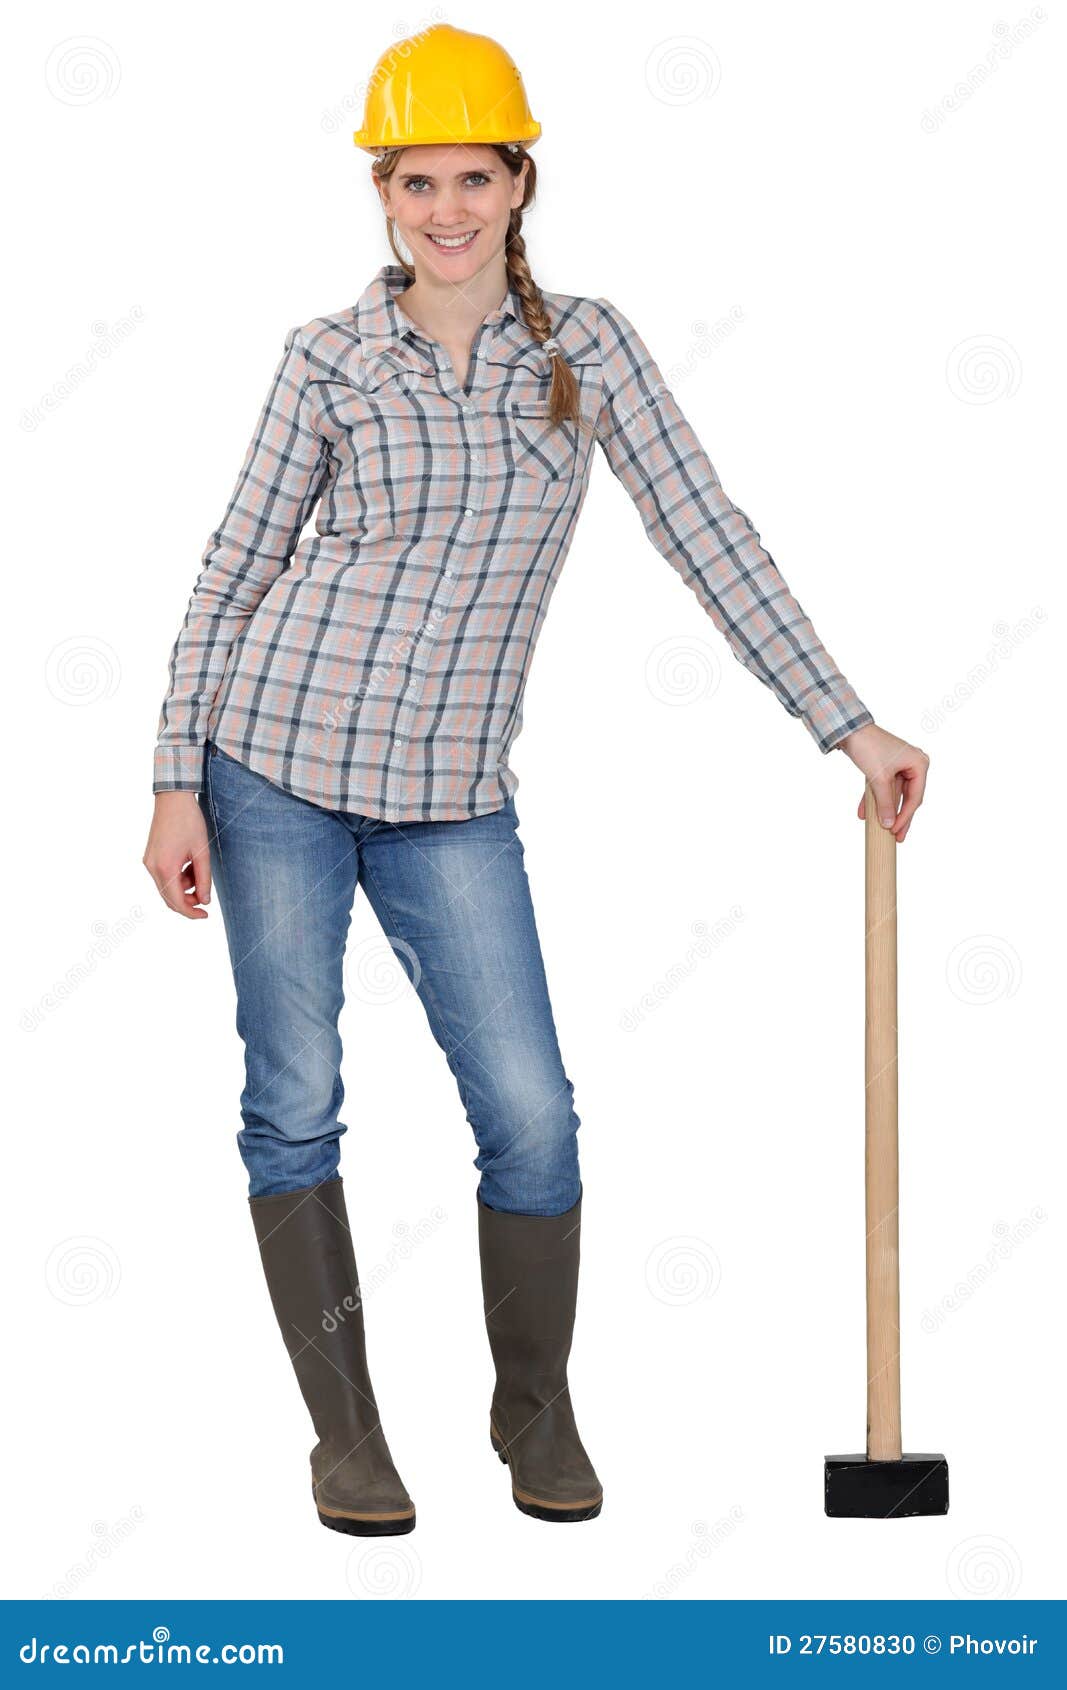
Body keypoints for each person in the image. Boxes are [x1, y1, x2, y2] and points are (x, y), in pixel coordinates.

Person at [142, 23, 929, 1537]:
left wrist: (850, 723)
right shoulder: (327, 357)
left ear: (520, 182)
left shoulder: (588, 351)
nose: (446, 209)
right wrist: (178, 776)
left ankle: (535, 1403)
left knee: (534, 1115)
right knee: (295, 1101)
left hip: (451, 793)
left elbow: (709, 534)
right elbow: (233, 575)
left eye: (474, 179)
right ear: (382, 191)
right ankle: (348, 1437)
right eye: (416, 182)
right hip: (276, 768)